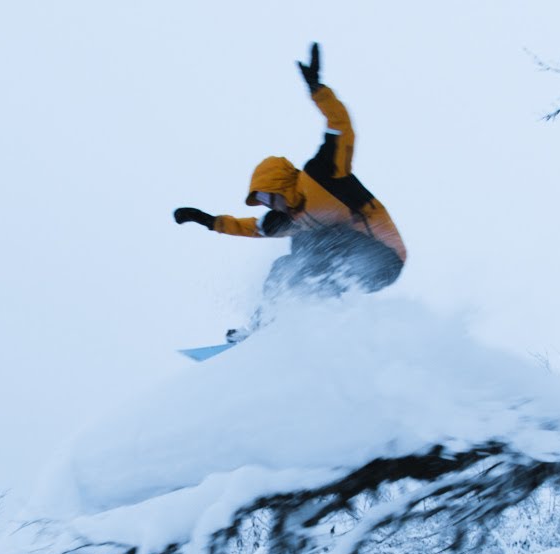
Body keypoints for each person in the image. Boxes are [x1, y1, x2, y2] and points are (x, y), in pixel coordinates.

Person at [173, 43, 406, 339]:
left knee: (309, 247)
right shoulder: (285, 218)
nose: (272, 206)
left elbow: (341, 127)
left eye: (270, 197)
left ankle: (295, 320)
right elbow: (249, 227)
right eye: (263, 202)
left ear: (281, 185)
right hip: (351, 268)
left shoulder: (322, 175)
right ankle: (269, 328)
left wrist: (317, 89)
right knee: (286, 265)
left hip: (382, 255)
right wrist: (207, 220)